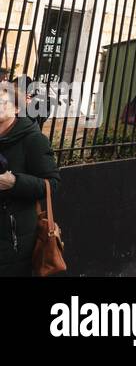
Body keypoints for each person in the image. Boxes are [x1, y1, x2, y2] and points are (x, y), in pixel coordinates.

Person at [0, 79, 61, 277]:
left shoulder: (33, 140)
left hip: (14, 241)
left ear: (17, 108)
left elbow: (52, 184)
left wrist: (15, 182)